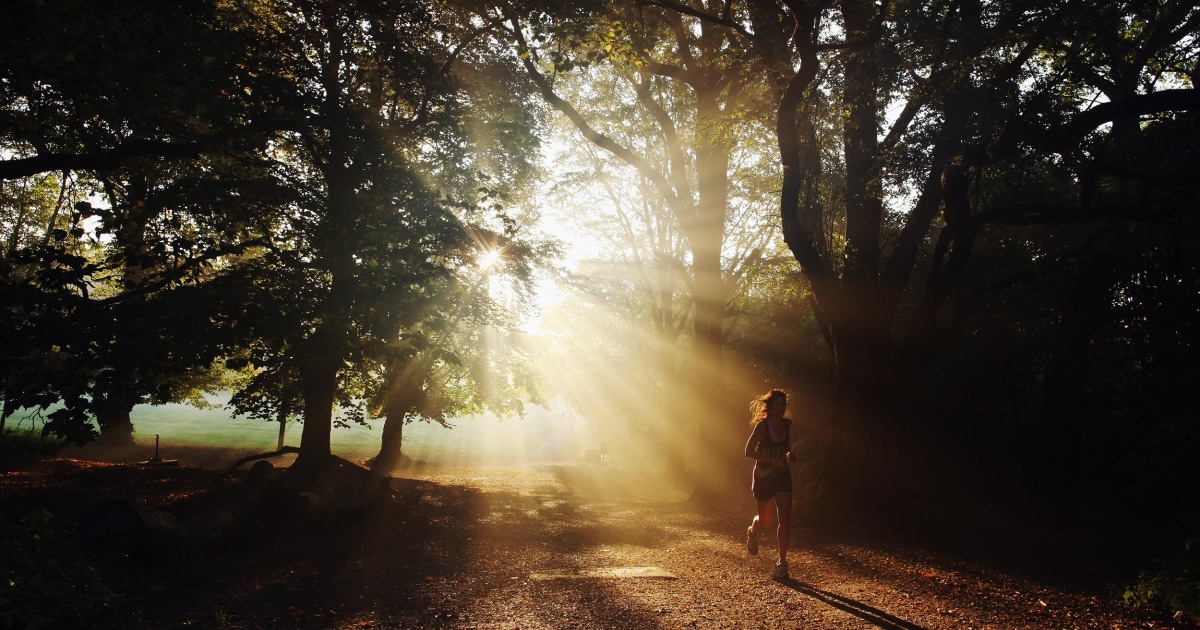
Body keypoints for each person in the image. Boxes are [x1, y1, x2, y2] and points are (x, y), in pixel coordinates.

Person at [743, 389, 796, 579]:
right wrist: (772, 461)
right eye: (778, 404)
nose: (781, 408)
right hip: (764, 476)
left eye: (784, 404)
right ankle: (752, 531)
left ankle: (781, 562)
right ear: (770, 407)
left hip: (782, 475)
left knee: (785, 517)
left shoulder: (787, 424)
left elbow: (786, 446)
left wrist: (790, 454)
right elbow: (748, 451)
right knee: (765, 519)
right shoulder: (762, 427)